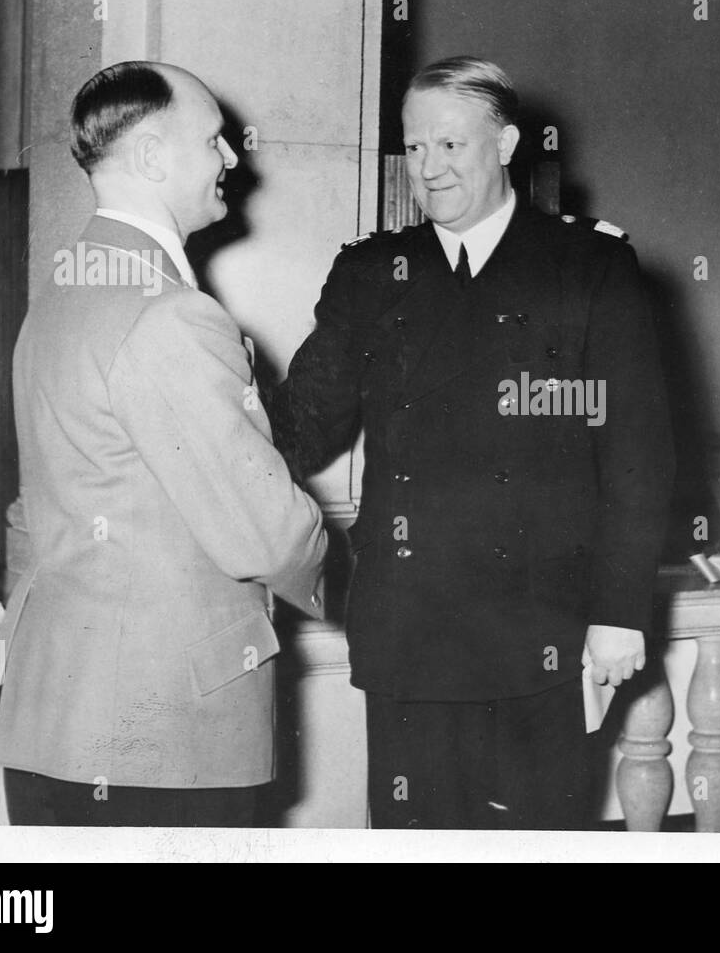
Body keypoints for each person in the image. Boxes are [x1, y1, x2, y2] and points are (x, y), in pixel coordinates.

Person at [270, 56, 674, 830]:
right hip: (409, 632)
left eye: (450, 146)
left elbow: (638, 454)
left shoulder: (589, 266)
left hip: (542, 633)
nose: (429, 168)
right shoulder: (369, 273)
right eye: (415, 149)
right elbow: (302, 426)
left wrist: (620, 611)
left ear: (507, 143)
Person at [0, 61, 328, 827]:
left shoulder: (55, 303)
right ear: (153, 157)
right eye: (214, 141)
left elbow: (33, 514)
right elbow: (267, 535)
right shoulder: (172, 315)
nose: (233, 158)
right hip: (164, 735)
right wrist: (356, 587)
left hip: (49, 719)